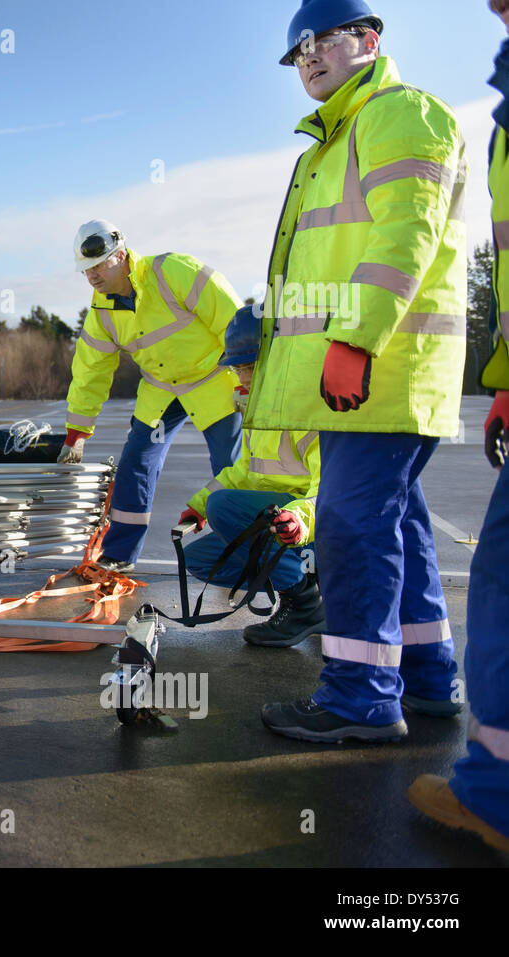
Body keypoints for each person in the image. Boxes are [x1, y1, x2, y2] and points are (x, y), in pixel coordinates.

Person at [252, 1, 466, 743]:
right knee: (397, 523)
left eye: (319, 43)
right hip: (376, 374)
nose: (306, 58)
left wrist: (357, 341)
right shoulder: (332, 141)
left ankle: (360, 696)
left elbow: (407, 233)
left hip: (382, 371)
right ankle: (428, 676)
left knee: (351, 524)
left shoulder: (398, 114)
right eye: (296, 53)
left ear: (368, 41)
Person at [406, 0, 509, 852]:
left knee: (504, 582)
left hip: (383, 378)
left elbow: (398, 250)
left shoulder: (409, 122)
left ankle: (495, 795)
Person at [61, 219, 244, 572]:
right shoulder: (102, 312)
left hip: (214, 379)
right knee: (136, 462)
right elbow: (90, 372)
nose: (93, 276)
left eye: (98, 265)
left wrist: (246, 382)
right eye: (85, 271)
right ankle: (119, 554)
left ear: (123, 256)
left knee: (232, 467)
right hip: (161, 388)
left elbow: (233, 322)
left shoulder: (173, 272)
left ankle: (236, 552)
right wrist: (77, 431)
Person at [179, 306, 324, 648]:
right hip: (278, 521)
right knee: (199, 558)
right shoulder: (259, 407)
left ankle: (304, 601)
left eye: (249, 367)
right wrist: (197, 506)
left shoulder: (311, 408)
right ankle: (309, 580)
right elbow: (246, 470)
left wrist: (299, 521)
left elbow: (330, 490)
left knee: (224, 507)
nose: (242, 378)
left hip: (307, 524)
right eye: (237, 368)